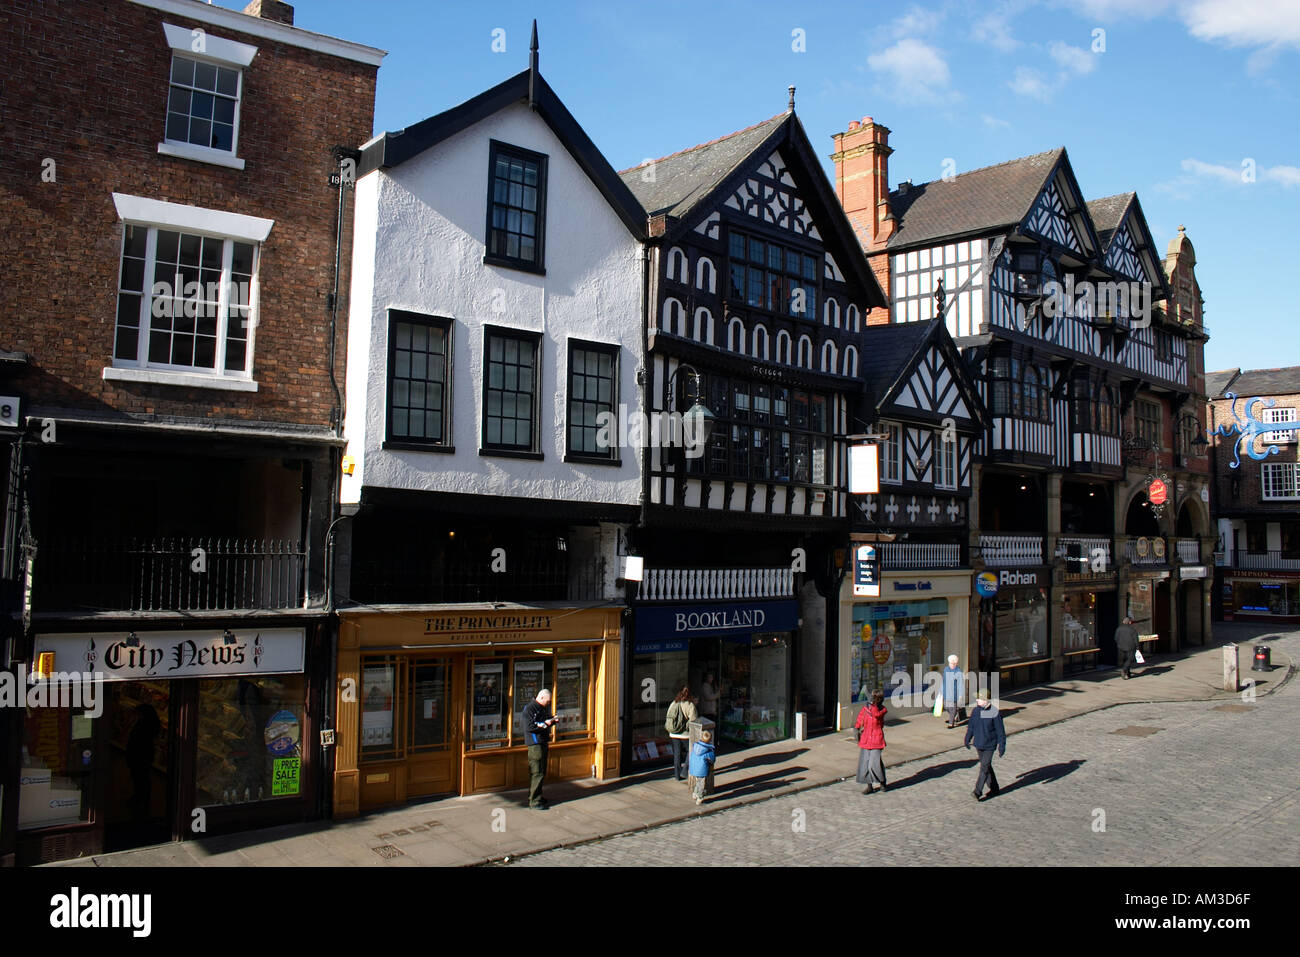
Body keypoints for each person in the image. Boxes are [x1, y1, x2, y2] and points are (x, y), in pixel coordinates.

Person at [964, 688, 1006, 801]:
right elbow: (971, 726)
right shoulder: (976, 711)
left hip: (989, 745)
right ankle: (995, 789)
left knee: (984, 768)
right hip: (978, 744)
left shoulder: (994, 712)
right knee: (987, 767)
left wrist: (1002, 746)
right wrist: (967, 738)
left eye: (979, 698)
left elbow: (1000, 731)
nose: (977, 700)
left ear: (986, 700)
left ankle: (977, 792)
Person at [521, 688, 559, 809]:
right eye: (547, 701)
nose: (548, 704)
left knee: (541, 771)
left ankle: (537, 795)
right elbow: (530, 726)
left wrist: (552, 720)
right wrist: (546, 724)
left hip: (542, 742)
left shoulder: (542, 708)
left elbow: (544, 721)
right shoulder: (530, 709)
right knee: (537, 772)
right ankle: (534, 801)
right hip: (535, 744)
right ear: (541, 697)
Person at [853, 689, 888, 794]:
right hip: (866, 738)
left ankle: (882, 781)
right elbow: (860, 718)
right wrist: (857, 728)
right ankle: (870, 785)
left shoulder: (881, 709)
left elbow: (876, 714)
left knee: (874, 763)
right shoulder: (866, 708)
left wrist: (872, 705)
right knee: (865, 764)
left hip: (877, 739)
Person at [665, 686, 698, 781]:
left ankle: (677, 775)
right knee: (691, 751)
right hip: (684, 734)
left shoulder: (674, 703)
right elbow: (693, 720)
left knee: (677, 753)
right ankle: (684, 770)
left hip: (673, 733)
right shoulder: (689, 705)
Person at [688, 729, 716, 805]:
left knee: (698, 782)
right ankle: (699, 798)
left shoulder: (695, 746)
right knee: (701, 784)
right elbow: (712, 760)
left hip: (694, 768)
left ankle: (695, 793)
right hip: (702, 770)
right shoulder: (708, 750)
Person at [941, 654, 965, 728]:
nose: (952, 665)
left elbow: (960, 684)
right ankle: (955, 714)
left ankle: (951, 723)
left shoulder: (958, 672)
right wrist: (941, 691)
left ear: (956, 663)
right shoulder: (946, 669)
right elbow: (944, 681)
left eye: (954, 663)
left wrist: (960, 695)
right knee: (946, 707)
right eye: (951, 663)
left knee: (952, 708)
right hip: (946, 692)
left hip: (954, 693)